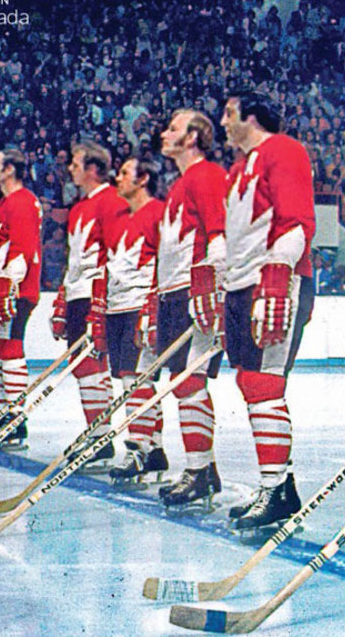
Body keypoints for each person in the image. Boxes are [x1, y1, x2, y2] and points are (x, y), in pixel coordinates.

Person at [218, 90, 315, 532]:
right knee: (249, 381)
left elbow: (296, 220)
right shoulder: (238, 169)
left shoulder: (283, 150)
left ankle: (274, 489)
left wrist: (278, 273)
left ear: (252, 117)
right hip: (242, 283)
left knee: (264, 383)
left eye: (229, 114)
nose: (223, 122)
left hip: (276, 280)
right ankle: (280, 486)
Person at [124, 110, 228, 514]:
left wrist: (212, 286)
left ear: (194, 137)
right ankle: (204, 468)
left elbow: (219, 234)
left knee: (189, 382)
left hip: (193, 292)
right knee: (183, 381)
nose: (164, 134)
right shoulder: (180, 184)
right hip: (173, 293)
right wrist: (154, 298)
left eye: (173, 129)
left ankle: (199, 471)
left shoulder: (207, 176)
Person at [52, 140, 123, 472]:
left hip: (97, 293)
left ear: (93, 169)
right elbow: (74, 260)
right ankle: (98, 433)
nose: (70, 168)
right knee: (82, 366)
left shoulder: (112, 201)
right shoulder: (79, 208)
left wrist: (101, 299)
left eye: (76, 163)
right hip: (78, 293)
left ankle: (102, 438)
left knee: (94, 365)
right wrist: (62, 297)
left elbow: (116, 253)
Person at [98, 158, 168, 489]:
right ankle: (154, 448)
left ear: (143, 179)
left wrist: (152, 308)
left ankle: (138, 449)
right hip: (117, 306)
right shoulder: (119, 218)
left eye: (125, 173)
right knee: (134, 380)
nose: (118, 178)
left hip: (140, 304)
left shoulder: (159, 213)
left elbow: (167, 262)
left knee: (135, 378)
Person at [0, 148, 42, 450]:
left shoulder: (22, 201)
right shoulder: (3, 204)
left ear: (9, 170)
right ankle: (2, 414)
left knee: (10, 348)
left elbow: (22, 248)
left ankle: (15, 419)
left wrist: (7, 285)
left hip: (15, 289)